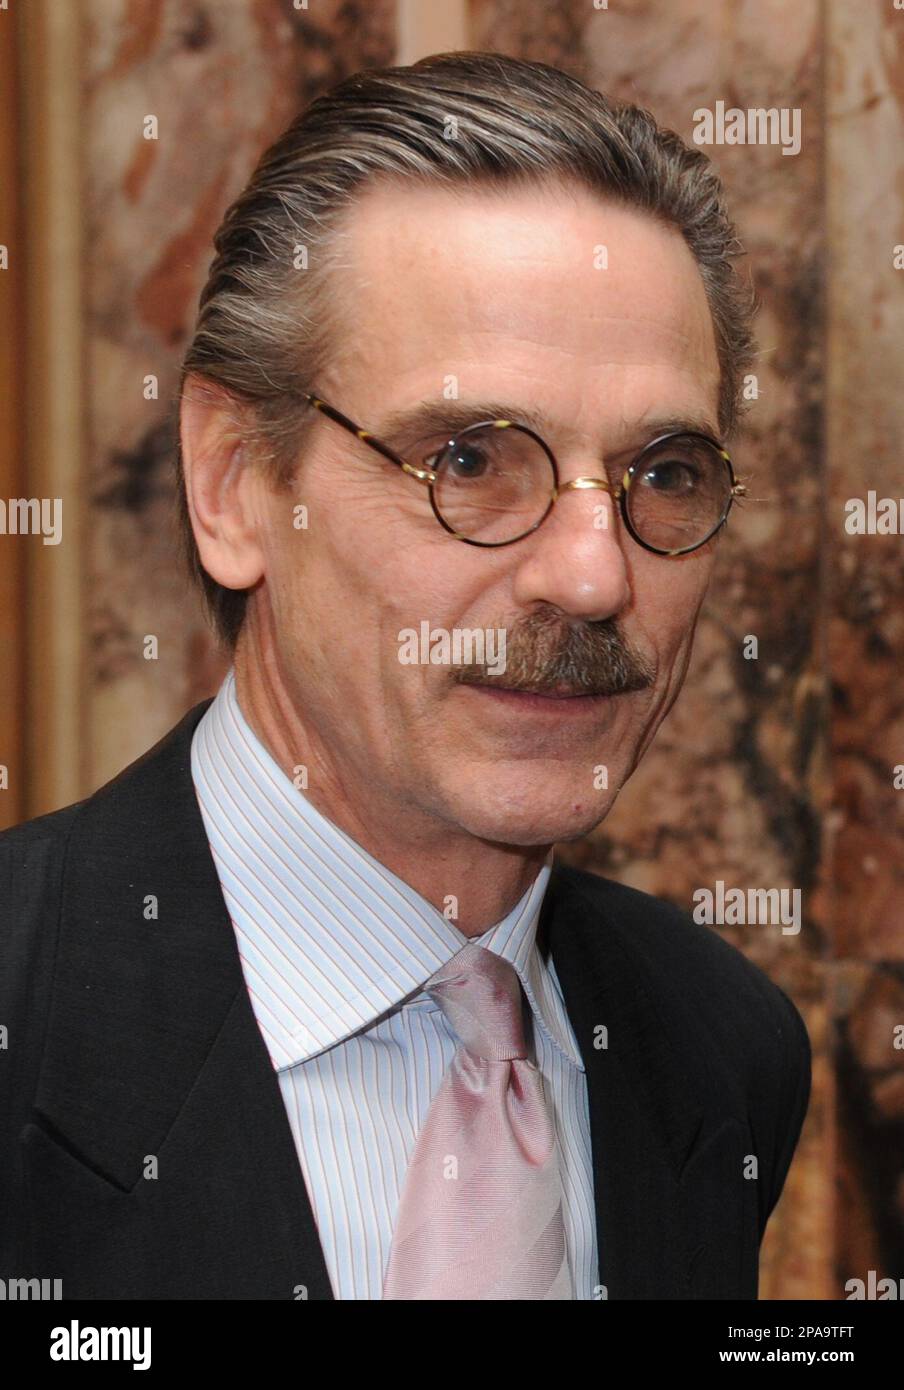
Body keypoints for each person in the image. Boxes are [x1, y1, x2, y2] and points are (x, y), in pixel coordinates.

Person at [0, 50, 810, 1300]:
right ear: (233, 483)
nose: (594, 577)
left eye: (662, 474)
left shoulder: (721, 1048)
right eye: (473, 459)